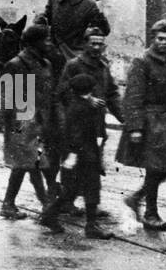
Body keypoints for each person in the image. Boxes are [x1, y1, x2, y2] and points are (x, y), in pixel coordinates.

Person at [117, 20, 166, 231]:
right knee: (154, 169)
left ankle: (136, 198)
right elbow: (133, 97)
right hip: (150, 122)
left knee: (164, 169)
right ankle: (150, 213)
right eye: (160, 39)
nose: (164, 43)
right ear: (152, 39)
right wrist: (135, 128)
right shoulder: (142, 62)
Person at [49, 25, 121, 221]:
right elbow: (62, 93)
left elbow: (112, 94)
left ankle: (89, 205)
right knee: (72, 167)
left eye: (100, 43)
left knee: (92, 168)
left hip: (96, 126)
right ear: (85, 44)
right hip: (75, 126)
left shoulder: (104, 67)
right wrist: (84, 100)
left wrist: (125, 119)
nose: (97, 47)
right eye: (93, 43)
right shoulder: (73, 65)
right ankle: (67, 204)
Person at [39, 74, 112, 239]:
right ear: (91, 88)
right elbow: (76, 134)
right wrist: (73, 154)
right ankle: (91, 226)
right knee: (91, 187)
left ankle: (50, 216)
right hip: (83, 153)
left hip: (80, 152)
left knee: (72, 189)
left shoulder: (78, 104)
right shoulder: (83, 107)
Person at [0, 24, 54, 219]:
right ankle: (45, 203)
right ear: (34, 43)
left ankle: (12, 203)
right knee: (30, 162)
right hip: (23, 120)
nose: (49, 43)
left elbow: (48, 93)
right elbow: (6, 97)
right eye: (45, 39)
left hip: (41, 119)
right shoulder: (16, 64)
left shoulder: (46, 63)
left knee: (30, 163)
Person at [42, 0, 111, 79]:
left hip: (74, 50)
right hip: (54, 49)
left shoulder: (89, 5)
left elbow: (105, 30)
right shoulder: (53, 0)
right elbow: (46, 18)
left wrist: (100, 18)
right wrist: (41, 18)